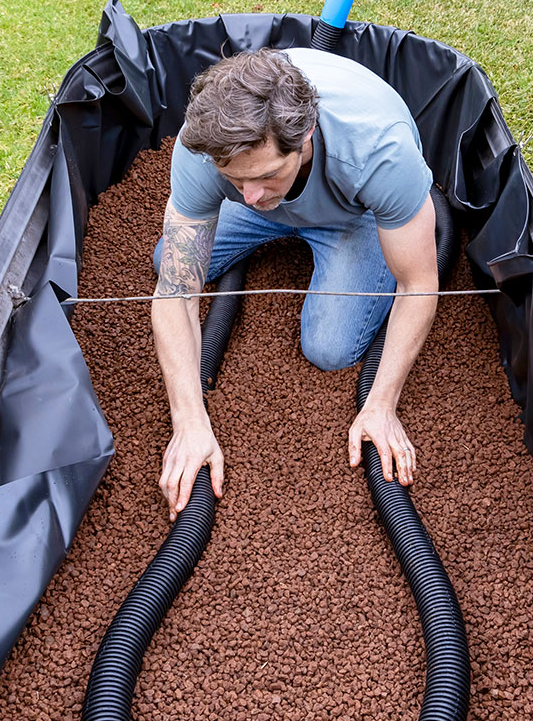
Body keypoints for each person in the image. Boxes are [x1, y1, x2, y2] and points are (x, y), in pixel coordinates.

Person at [151, 44, 439, 521]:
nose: (250, 194)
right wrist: (189, 423)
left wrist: (381, 405)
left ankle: (337, 242)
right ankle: (278, 210)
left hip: (350, 213)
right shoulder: (203, 150)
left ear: (305, 136)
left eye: (265, 174)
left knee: (329, 347)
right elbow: (176, 292)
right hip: (271, 206)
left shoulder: (378, 149)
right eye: (235, 179)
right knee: (170, 260)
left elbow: (419, 283)